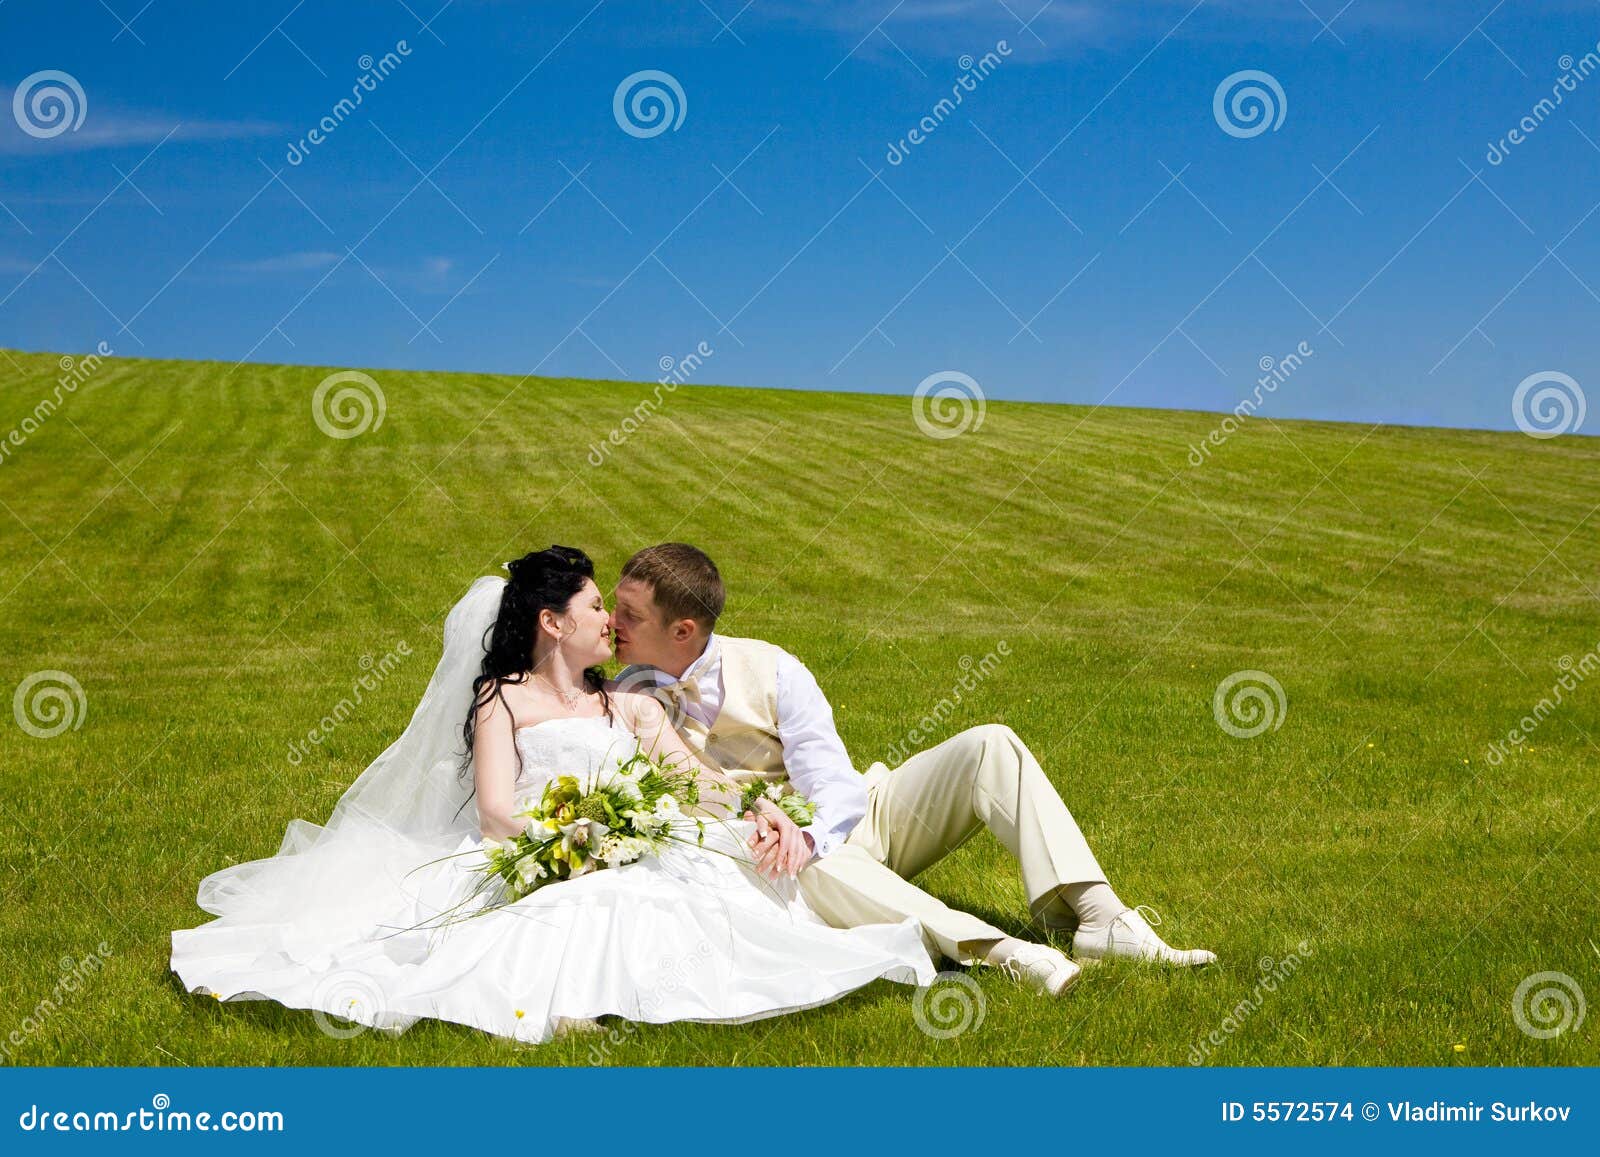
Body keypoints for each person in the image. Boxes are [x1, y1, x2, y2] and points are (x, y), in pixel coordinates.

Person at [170, 547, 934, 1044]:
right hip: (537, 850)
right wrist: (571, 842)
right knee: (564, 911)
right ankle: (566, 1007)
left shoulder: (627, 705)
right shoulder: (502, 701)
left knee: (675, 901)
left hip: (629, 847)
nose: (613, 621)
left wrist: (756, 807)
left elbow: (694, 780)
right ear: (551, 621)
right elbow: (499, 810)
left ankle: (605, 996)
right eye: (599, 608)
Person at [611, 542, 1216, 999]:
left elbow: (833, 784)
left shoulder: (772, 668)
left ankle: (1100, 916)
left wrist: (813, 833)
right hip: (763, 858)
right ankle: (1003, 951)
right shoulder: (616, 691)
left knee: (990, 744)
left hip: (840, 823)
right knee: (814, 861)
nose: (613, 624)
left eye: (629, 615)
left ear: (683, 630)